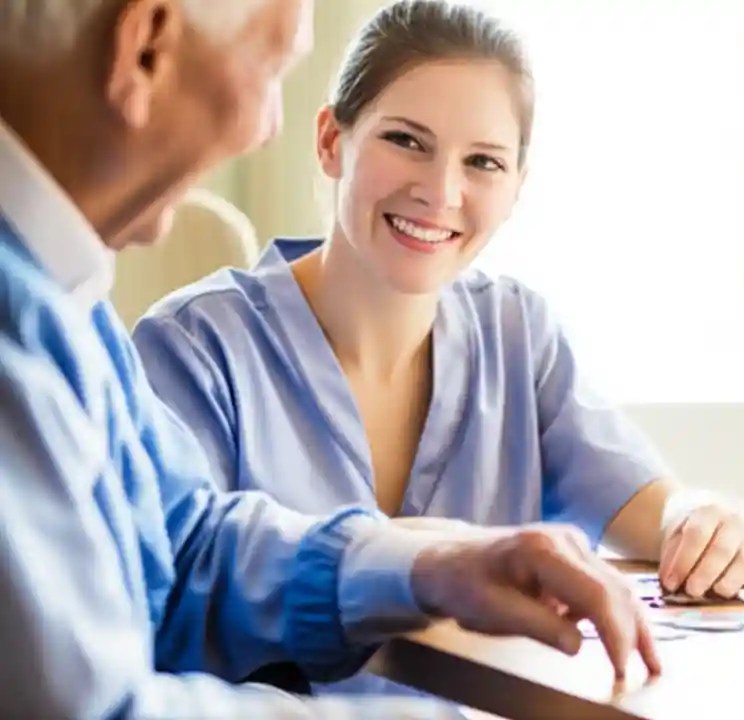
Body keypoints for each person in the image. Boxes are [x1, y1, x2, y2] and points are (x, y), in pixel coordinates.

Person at [0, 0, 661, 717]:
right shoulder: (34, 333)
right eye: (273, 66)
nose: (267, 127)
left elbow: (180, 546)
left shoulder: (63, 298)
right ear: (146, 47)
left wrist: (426, 566)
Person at [133, 0, 744, 657]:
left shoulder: (518, 333)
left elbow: (650, 505)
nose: (441, 191)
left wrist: (703, 520)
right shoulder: (193, 348)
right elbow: (172, 594)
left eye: (482, 162)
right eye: (406, 141)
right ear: (333, 141)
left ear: (517, 187)